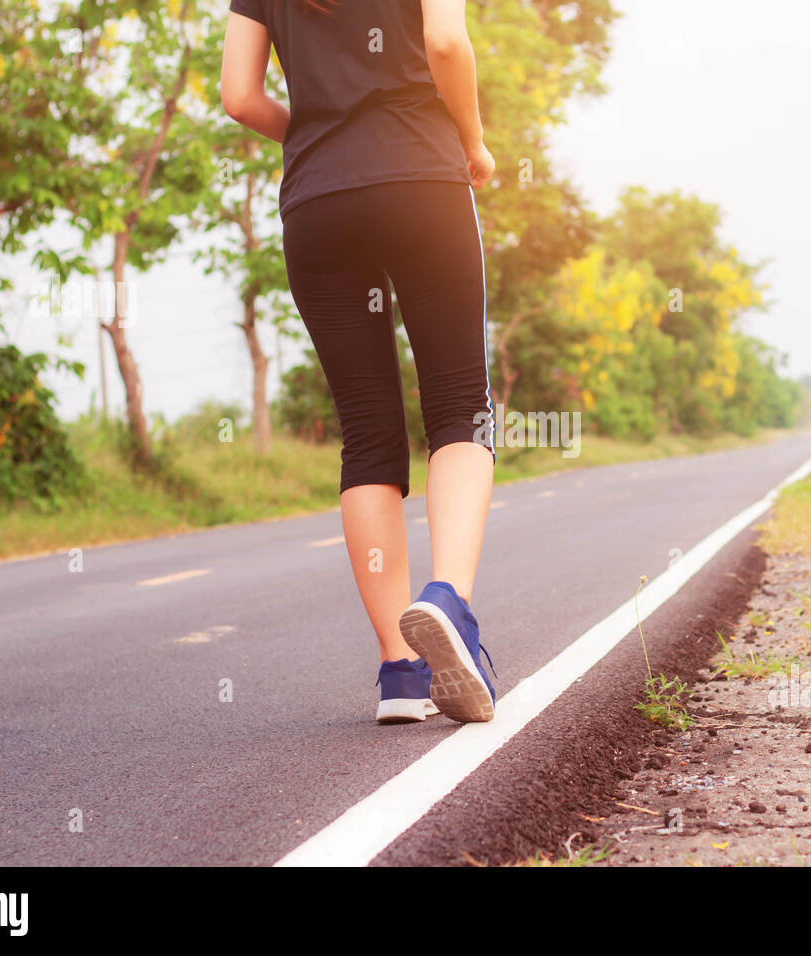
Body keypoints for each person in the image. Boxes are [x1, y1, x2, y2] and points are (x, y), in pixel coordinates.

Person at [222, 0, 499, 723]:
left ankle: (400, 673)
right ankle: (448, 602)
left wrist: (320, 134)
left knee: (370, 433)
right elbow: (444, 40)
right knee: (460, 406)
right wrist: (471, 140)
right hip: (422, 177)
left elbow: (239, 97)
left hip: (318, 202)